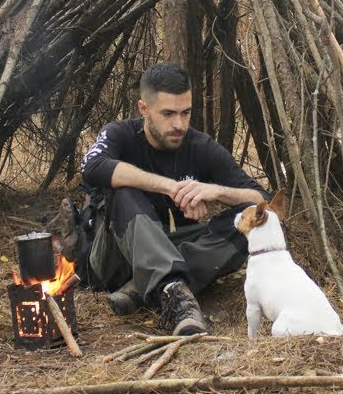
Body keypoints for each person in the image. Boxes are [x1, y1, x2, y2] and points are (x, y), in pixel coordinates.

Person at [80, 62, 267, 336]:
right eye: (167, 114)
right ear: (144, 109)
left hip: (174, 245)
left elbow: (263, 200)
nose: (178, 124)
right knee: (122, 189)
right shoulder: (119, 134)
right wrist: (170, 187)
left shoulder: (200, 146)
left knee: (254, 219)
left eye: (185, 113)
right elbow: (92, 166)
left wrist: (216, 191)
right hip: (117, 257)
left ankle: (142, 287)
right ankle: (175, 296)